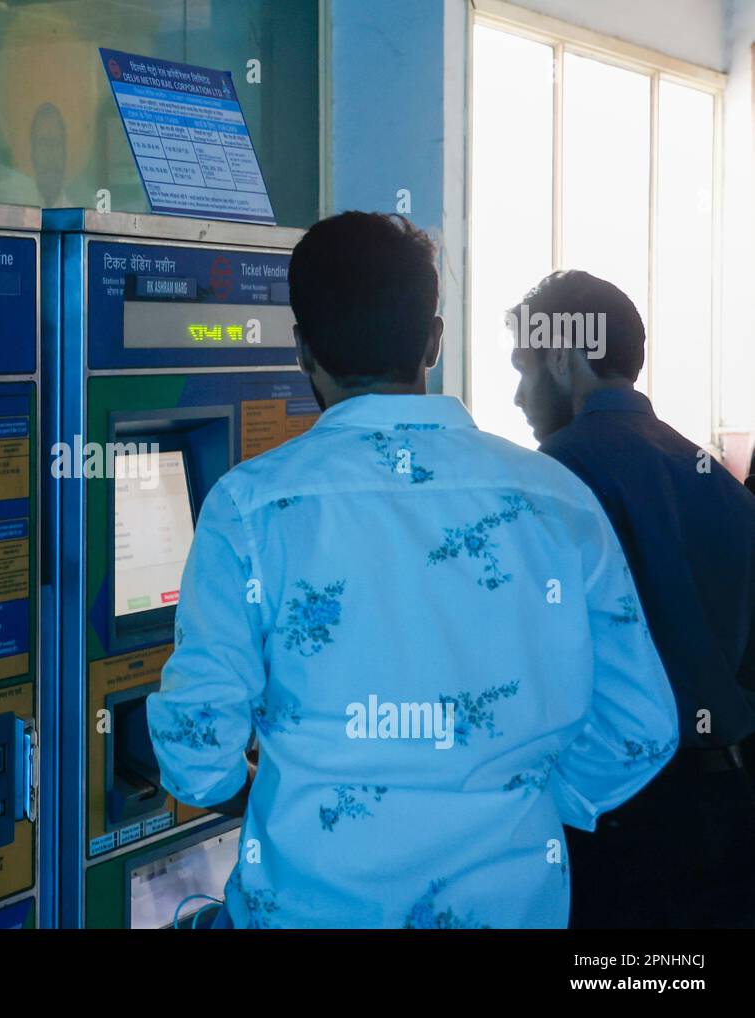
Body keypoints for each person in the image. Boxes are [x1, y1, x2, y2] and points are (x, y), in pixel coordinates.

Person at [146, 213, 677, 929]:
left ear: (303, 350)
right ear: (432, 339)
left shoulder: (250, 509)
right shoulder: (555, 501)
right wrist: (526, 799)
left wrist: (267, 795)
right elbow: (642, 728)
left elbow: (194, 753)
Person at [509, 269, 755, 928]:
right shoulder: (718, 482)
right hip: (732, 816)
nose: (517, 395)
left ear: (563, 359)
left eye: (525, 368)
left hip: (619, 821)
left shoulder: (554, 480)